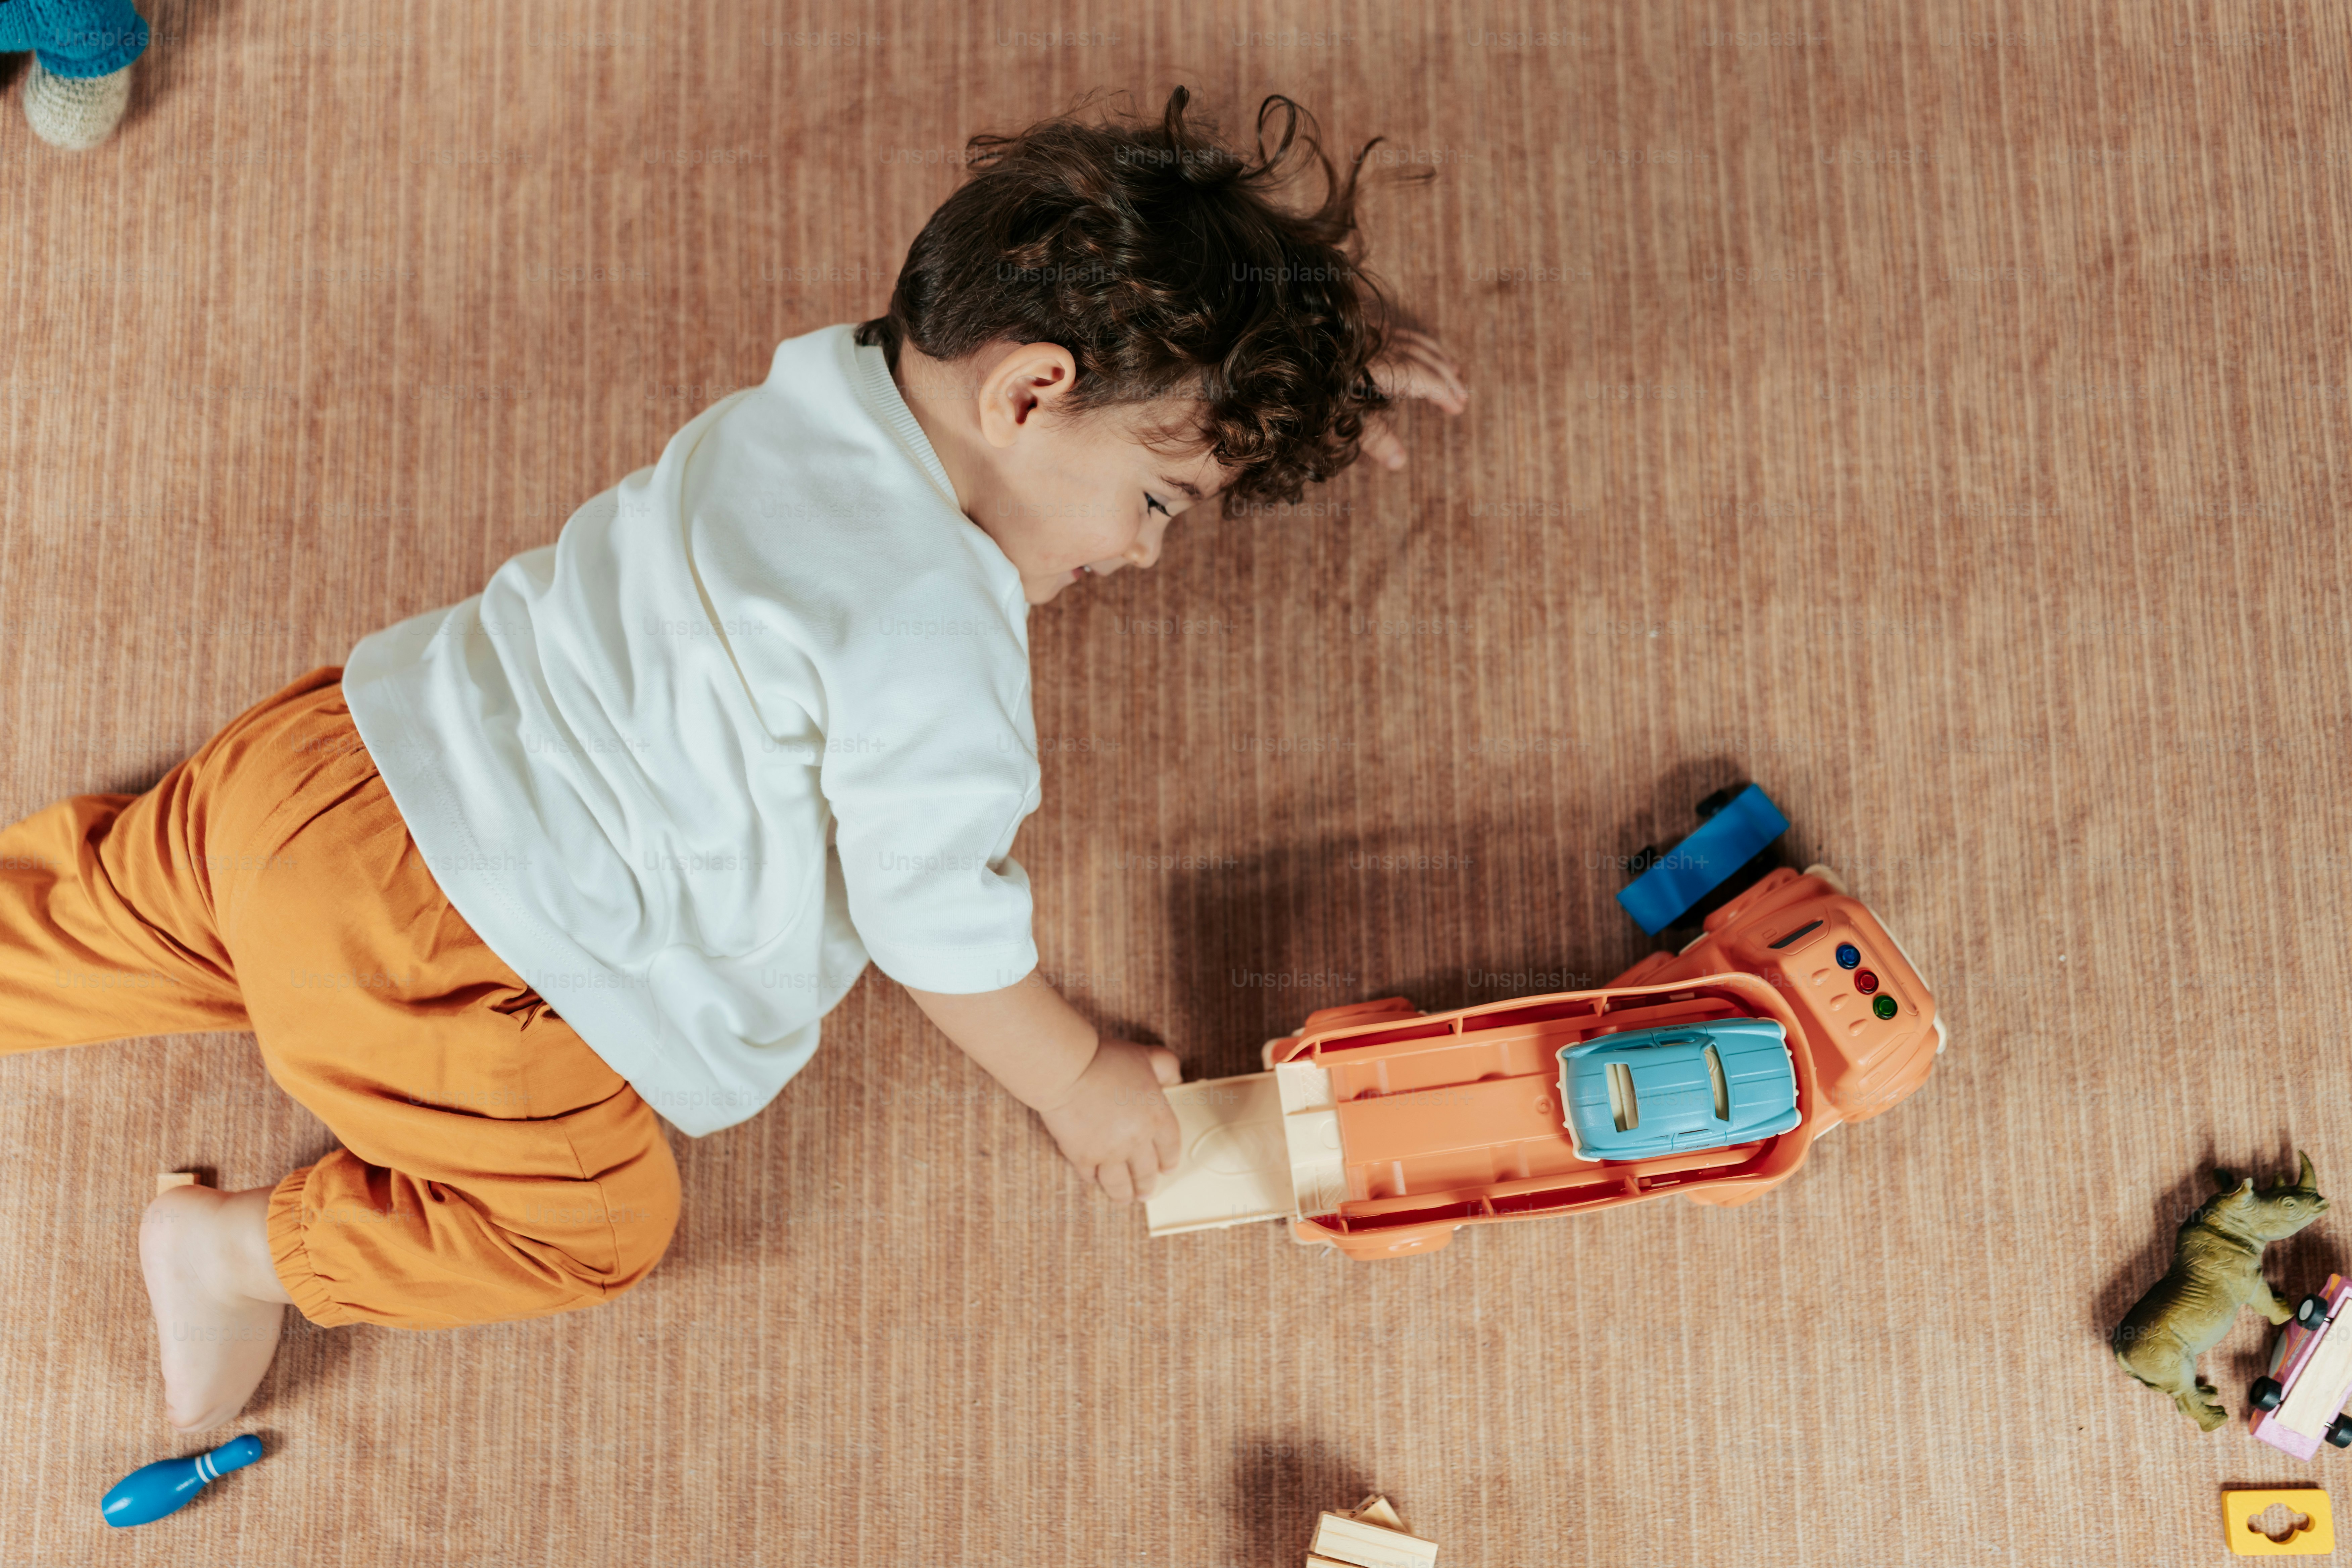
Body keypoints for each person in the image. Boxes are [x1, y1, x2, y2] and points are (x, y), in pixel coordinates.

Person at [0, 86, 1465, 1432]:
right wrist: (1078, 1076)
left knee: (63, 927)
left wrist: (1297, 380)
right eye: (1157, 499)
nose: (1141, 554)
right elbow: (934, 922)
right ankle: (233, 1250)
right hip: (479, 968)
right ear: (1026, 393)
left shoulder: (823, 388)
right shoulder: (937, 641)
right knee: (593, 1230)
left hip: (325, 772)